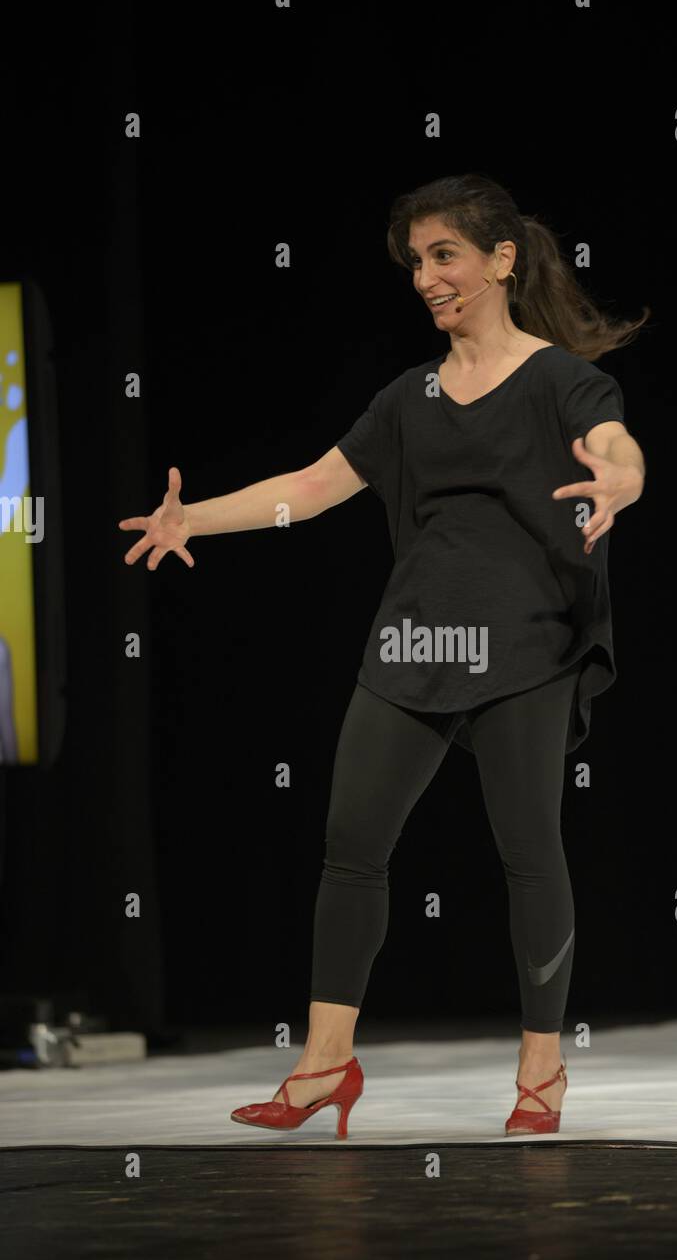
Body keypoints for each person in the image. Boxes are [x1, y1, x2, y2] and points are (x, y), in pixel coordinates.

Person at [118, 173, 648, 1137]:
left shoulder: (561, 380)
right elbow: (315, 485)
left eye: (443, 255)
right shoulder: (408, 397)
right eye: (415, 261)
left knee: (528, 853)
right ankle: (324, 1068)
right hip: (410, 644)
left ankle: (541, 1073)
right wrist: (194, 515)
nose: (425, 277)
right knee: (351, 850)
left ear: (500, 260)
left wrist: (620, 477)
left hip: (527, 646)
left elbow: (615, 445)